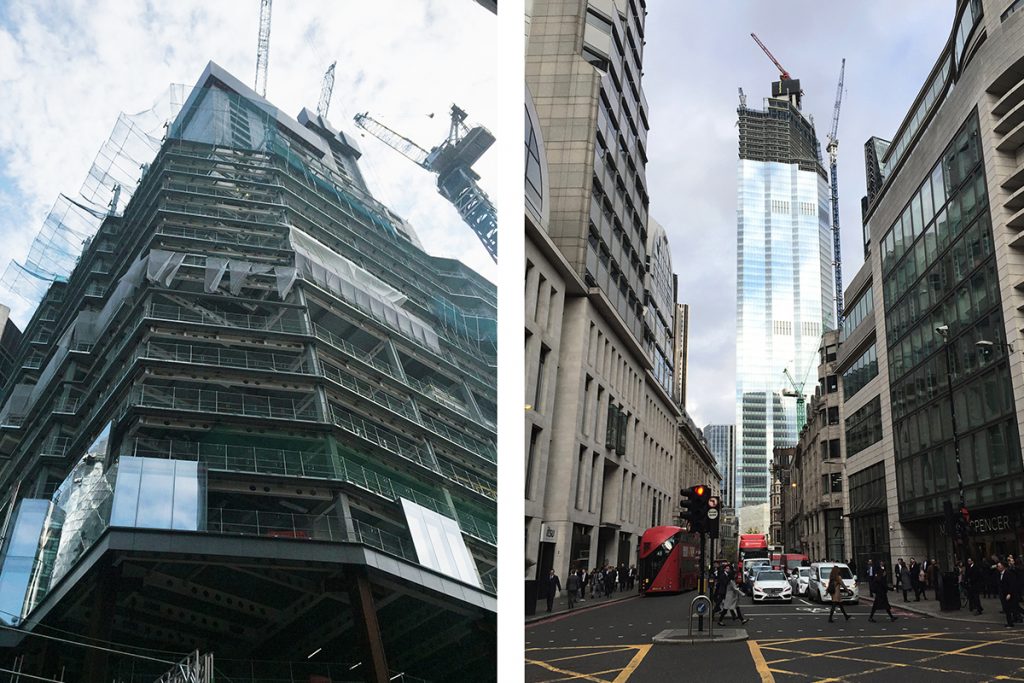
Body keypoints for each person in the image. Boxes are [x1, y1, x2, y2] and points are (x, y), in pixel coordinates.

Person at [998, 561, 1020, 628]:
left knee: (1015, 608)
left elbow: (1011, 584)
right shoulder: (1000, 574)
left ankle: (1011, 622)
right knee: (1008, 609)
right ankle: (1010, 623)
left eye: (999, 566)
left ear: (1003, 566)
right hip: (1004, 594)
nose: (998, 567)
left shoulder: (1008, 573)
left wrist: (1009, 593)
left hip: (1010, 594)